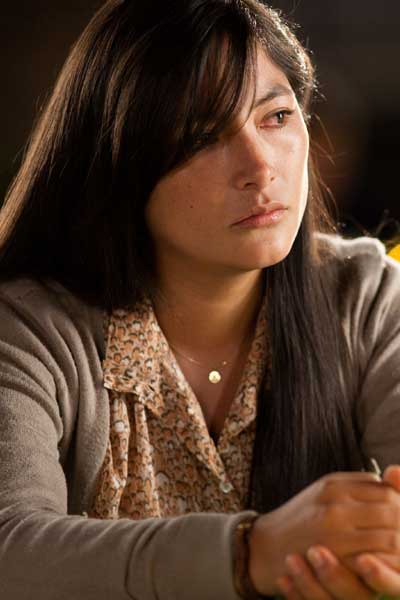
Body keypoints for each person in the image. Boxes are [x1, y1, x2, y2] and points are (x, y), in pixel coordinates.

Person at [0, 0, 399, 598]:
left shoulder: (364, 297)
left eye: (276, 117)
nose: (261, 167)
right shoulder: (30, 328)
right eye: (202, 136)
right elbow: (10, 547)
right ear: (118, 162)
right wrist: (250, 552)